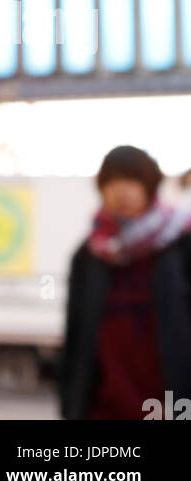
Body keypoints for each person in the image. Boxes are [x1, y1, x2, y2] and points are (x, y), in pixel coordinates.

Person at [57, 144, 191, 420]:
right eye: (113, 181)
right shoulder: (88, 256)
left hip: (168, 408)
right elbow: (75, 338)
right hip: (102, 408)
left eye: (133, 180)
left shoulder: (180, 245)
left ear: (150, 188)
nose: (122, 191)